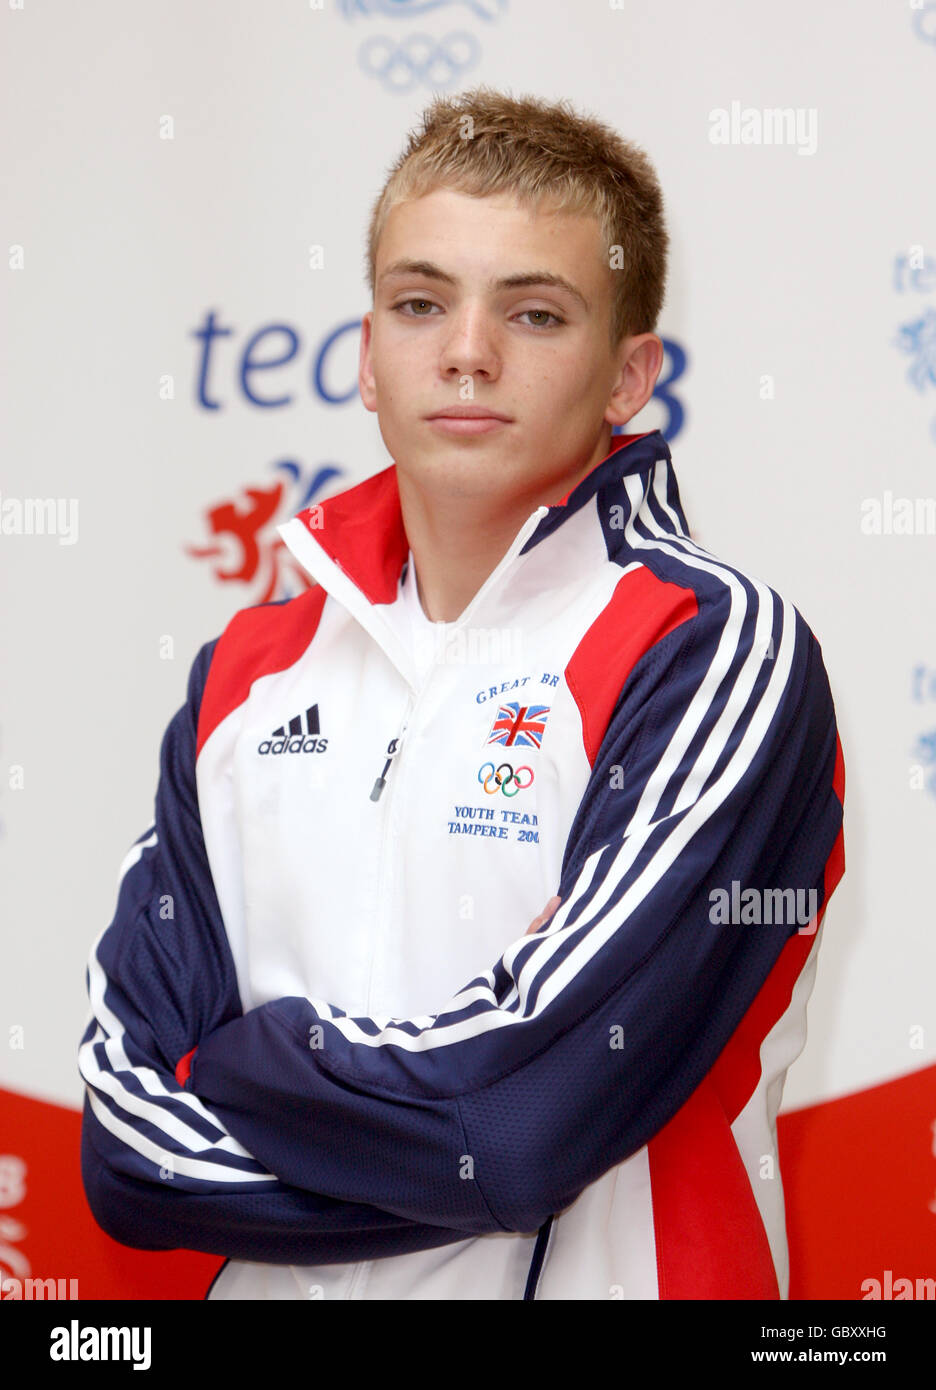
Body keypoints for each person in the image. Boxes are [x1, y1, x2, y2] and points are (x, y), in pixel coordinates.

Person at [78, 87, 846, 1300]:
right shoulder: (244, 671)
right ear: (370, 355)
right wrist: (450, 1109)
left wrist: (241, 1056)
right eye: (420, 302)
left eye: (536, 313)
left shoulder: (710, 647)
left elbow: (528, 1124)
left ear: (629, 375)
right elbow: (127, 1153)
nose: (467, 350)